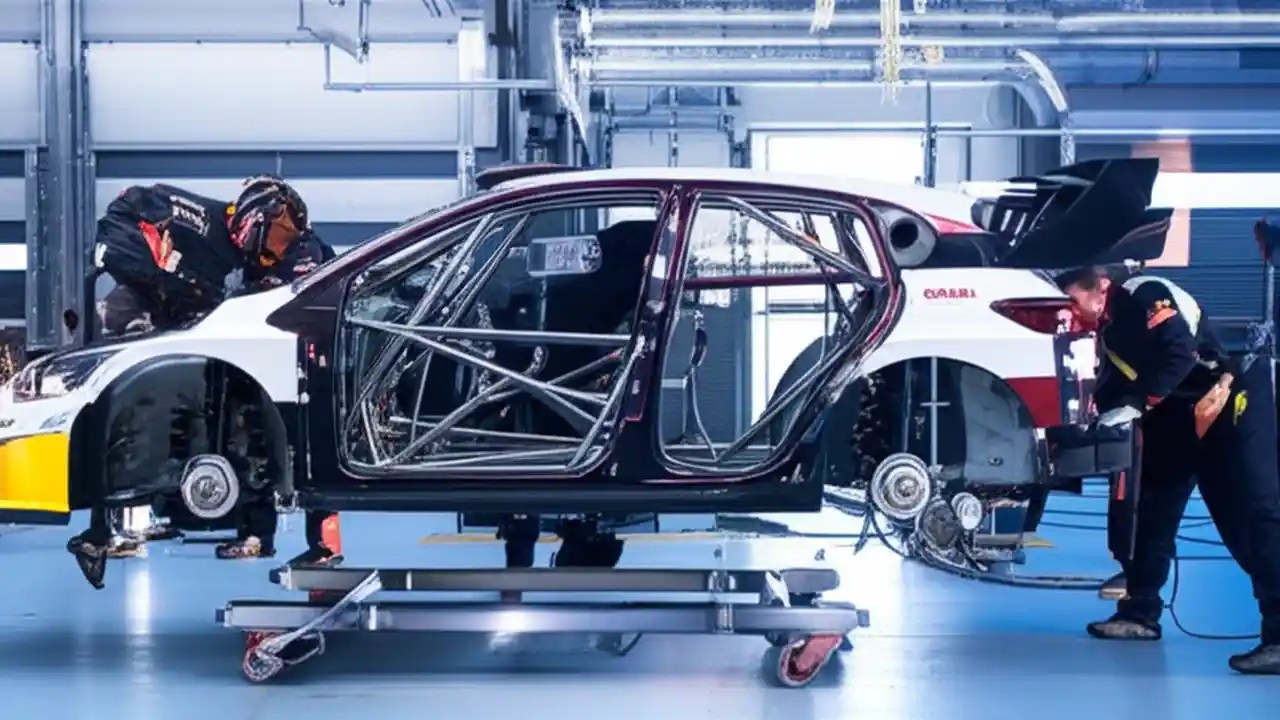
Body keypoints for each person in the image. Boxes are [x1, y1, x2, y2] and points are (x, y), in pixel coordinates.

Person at [1058, 265, 1280, 674]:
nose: (1074, 312)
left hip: (1226, 399)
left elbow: (1179, 350)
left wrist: (1141, 401)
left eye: (1075, 301)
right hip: (1176, 413)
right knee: (1151, 509)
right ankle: (1139, 614)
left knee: (1252, 516)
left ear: (1101, 286)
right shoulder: (1104, 328)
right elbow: (1111, 381)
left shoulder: (1145, 293)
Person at [212, 174, 339, 565]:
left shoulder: (313, 254)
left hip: (309, 373)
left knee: (315, 457)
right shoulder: (248, 266)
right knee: (250, 448)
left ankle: (325, 546)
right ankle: (255, 535)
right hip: (260, 372)